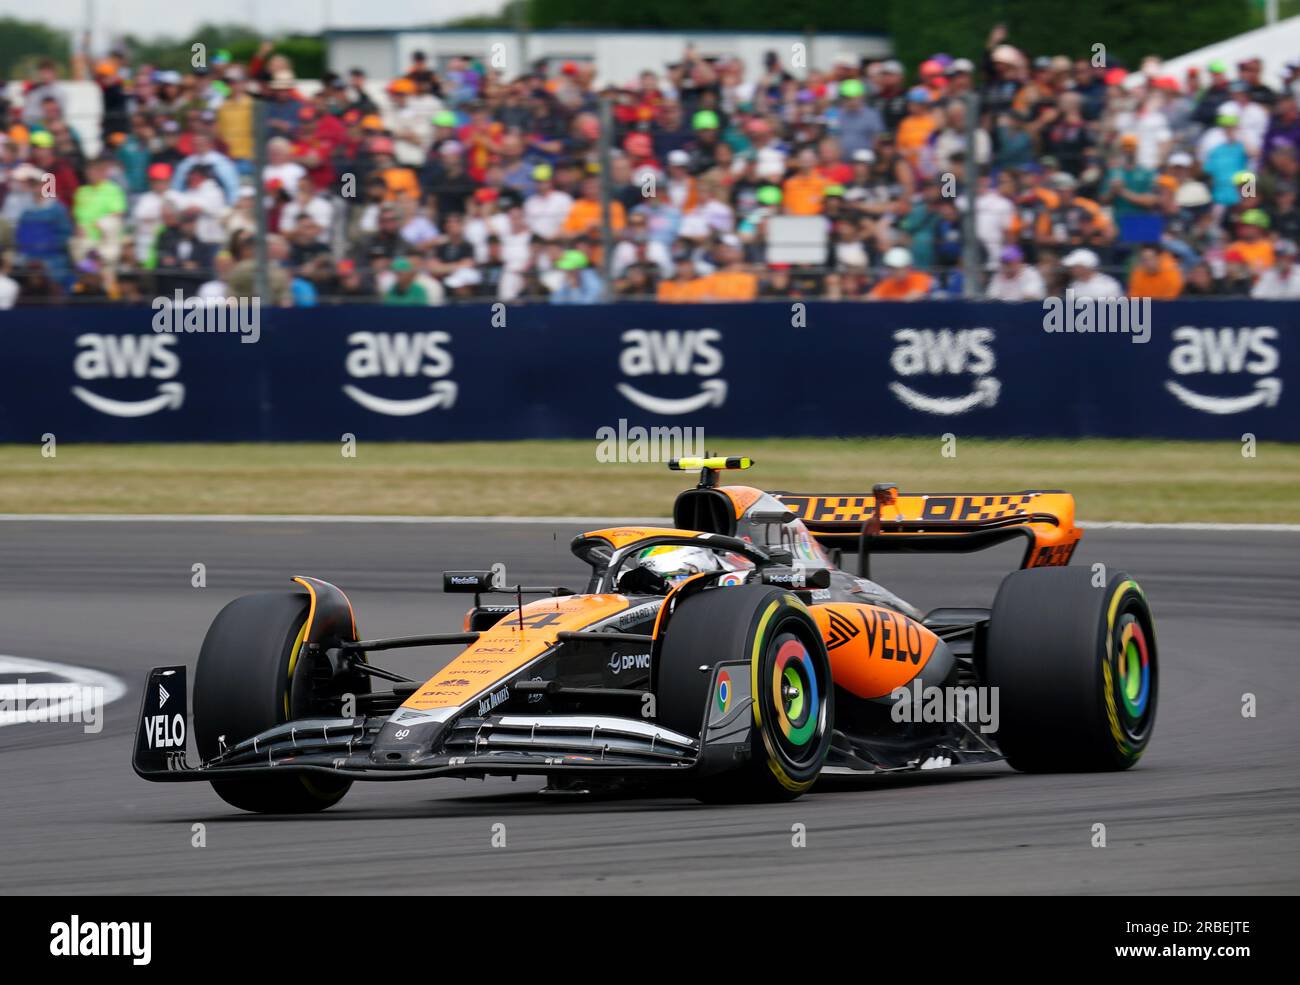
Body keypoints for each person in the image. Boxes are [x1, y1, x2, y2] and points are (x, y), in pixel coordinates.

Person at [867, 246, 933, 300]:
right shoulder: (888, 283)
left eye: (898, 268)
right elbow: (870, 298)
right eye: (891, 268)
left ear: (908, 267)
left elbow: (915, 296)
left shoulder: (920, 277)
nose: (894, 271)